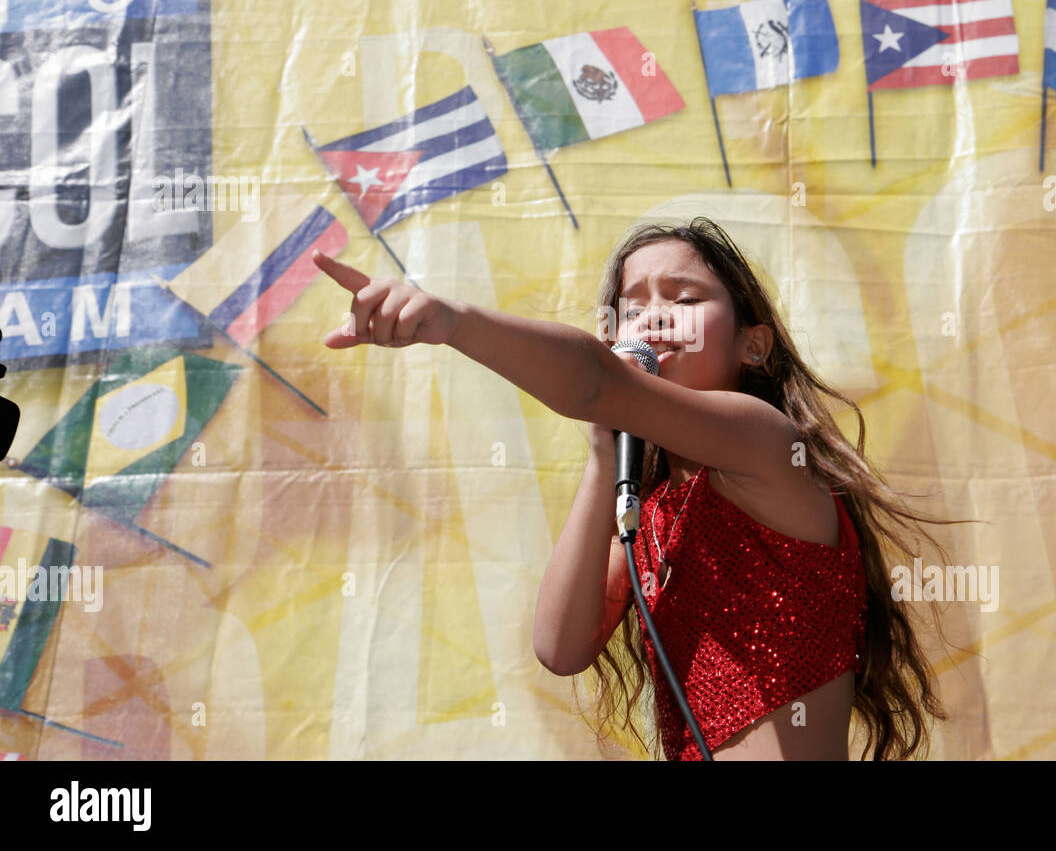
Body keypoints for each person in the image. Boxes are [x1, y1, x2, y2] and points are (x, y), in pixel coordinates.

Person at [313, 215, 960, 760]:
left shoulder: (765, 442)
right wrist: (604, 450)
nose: (656, 317)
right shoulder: (650, 513)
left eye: (684, 299)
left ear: (753, 345)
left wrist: (450, 320)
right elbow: (561, 647)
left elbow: (594, 380)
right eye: (635, 304)